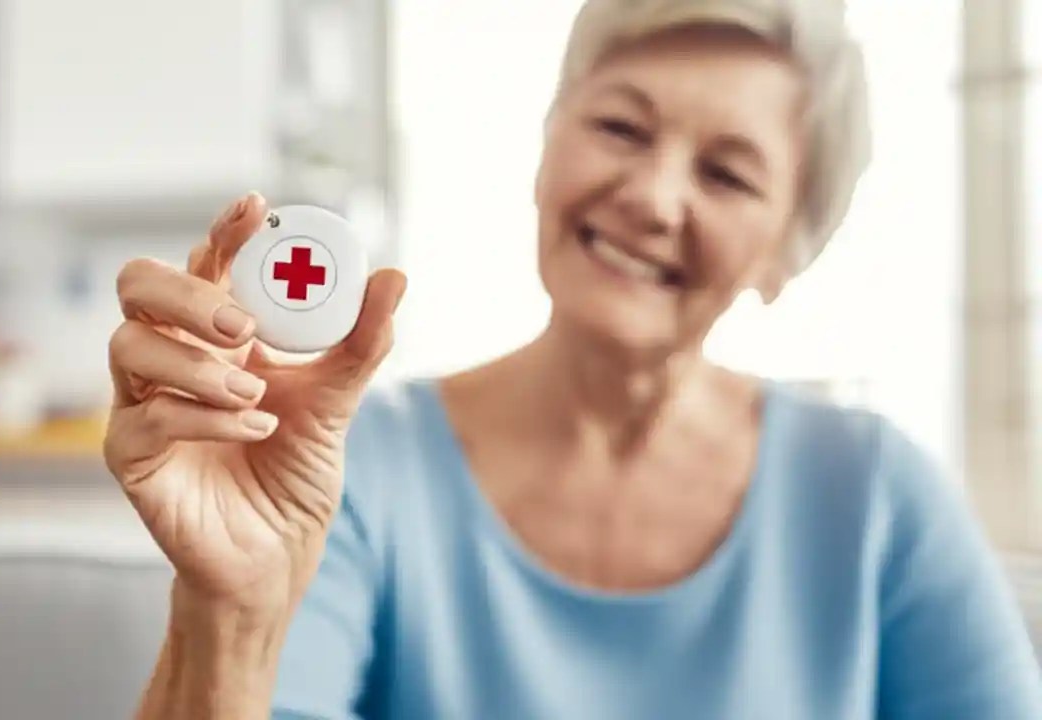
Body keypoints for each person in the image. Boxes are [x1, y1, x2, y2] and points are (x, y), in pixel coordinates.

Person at [104, 1, 1042, 717]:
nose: (652, 196)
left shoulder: (878, 497)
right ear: (548, 147)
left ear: (788, 254)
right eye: (621, 129)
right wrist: (227, 611)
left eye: (727, 174)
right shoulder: (344, 469)